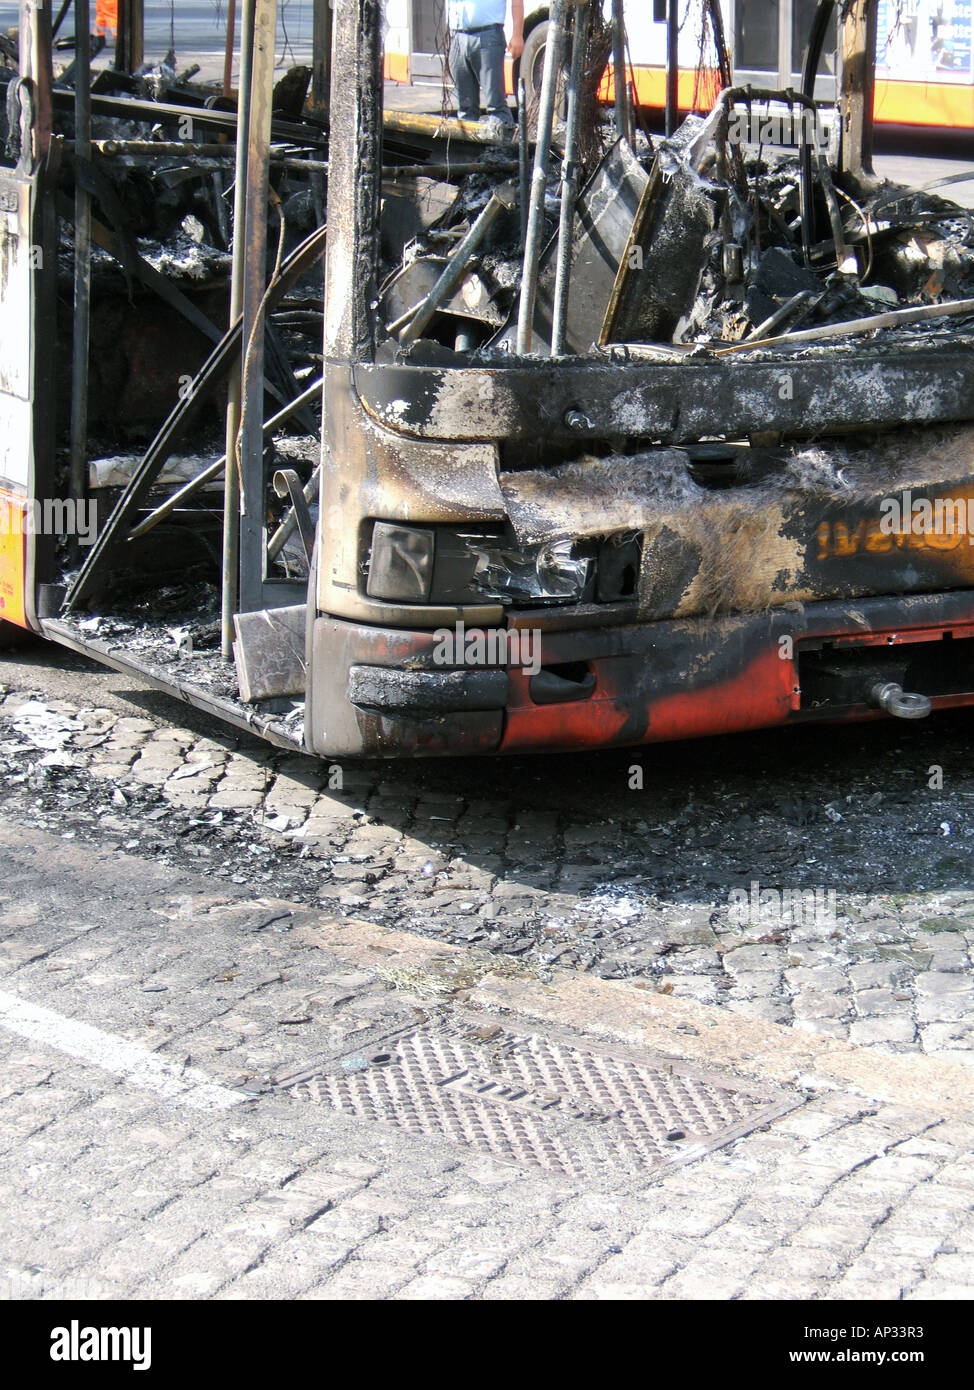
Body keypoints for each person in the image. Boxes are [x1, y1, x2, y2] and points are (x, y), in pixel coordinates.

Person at [448, 1, 524, 126]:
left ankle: (503, 144)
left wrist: (517, 34)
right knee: (465, 108)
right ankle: (469, 145)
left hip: (488, 35)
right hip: (457, 35)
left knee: (496, 105)